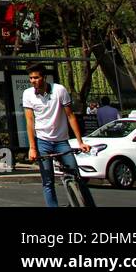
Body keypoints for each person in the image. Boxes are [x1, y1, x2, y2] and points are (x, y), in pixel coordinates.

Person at [22, 64, 93, 207]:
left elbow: (70, 116)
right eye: (30, 78)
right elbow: (29, 121)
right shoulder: (28, 94)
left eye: (36, 77)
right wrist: (32, 147)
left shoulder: (59, 90)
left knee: (76, 176)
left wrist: (80, 142)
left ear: (44, 77)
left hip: (62, 141)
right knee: (48, 182)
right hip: (43, 142)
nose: (33, 81)